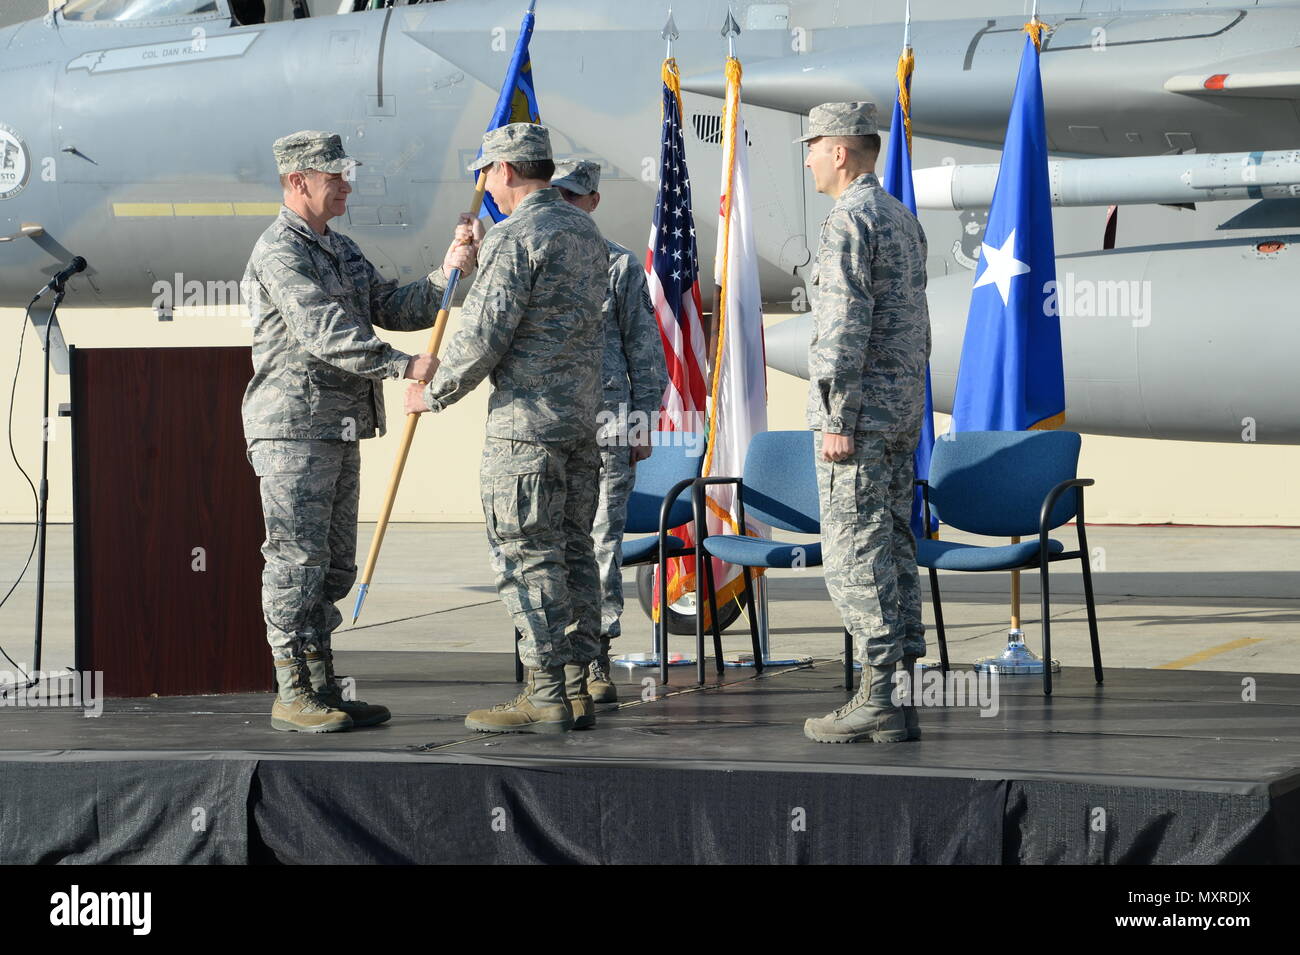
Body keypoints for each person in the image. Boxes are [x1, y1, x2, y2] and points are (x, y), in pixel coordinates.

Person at [242, 130, 475, 732]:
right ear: (298, 182)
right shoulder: (279, 253)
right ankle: (292, 691)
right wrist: (403, 366)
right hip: (293, 429)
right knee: (295, 559)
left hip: (338, 428)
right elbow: (323, 333)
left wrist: (449, 272)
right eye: (333, 176)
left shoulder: (339, 249)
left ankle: (322, 686)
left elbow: (394, 305)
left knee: (332, 566)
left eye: (346, 174)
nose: (346, 185)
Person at [404, 124, 608, 734]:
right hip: (578, 424)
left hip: (525, 429)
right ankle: (576, 687)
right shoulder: (585, 233)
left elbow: (485, 335)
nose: (484, 183)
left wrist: (431, 393)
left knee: (526, 555)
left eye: (487, 171)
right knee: (573, 553)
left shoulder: (516, 239)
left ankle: (544, 692)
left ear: (505, 172)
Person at [794, 103, 932, 744]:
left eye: (813, 147)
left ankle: (879, 697)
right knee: (893, 546)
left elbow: (842, 328)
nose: (808, 158)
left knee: (855, 552)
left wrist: (835, 417)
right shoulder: (898, 215)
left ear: (841, 153)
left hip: (860, 420)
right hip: (899, 415)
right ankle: (897, 691)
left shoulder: (849, 218)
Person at [551, 159, 668, 704]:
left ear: (593, 202)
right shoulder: (535, 258)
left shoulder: (617, 265)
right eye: (558, 196)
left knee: (600, 541)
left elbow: (646, 351)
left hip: (608, 425)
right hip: (547, 426)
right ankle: (551, 660)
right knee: (546, 541)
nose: (567, 205)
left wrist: (643, 422)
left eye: (576, 197)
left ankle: (594, 655)